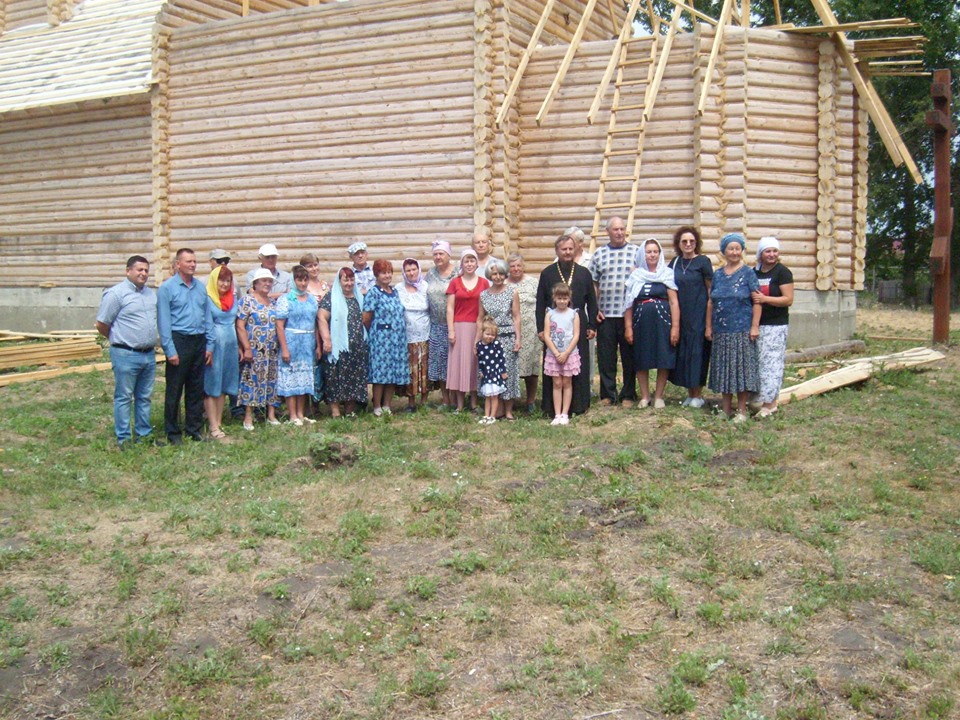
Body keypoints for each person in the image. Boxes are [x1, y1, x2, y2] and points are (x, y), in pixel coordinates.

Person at [95, 255, 159, 450]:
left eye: (146, 270)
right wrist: (117, 338)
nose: (143, 273)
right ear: (128, 271)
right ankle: (123, 438)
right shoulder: (116, 294)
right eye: (139, 270)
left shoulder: (150, 294)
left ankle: (143, 435)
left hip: (148, 354)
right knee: (124, 396)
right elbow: (102, 323)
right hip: (125, 354)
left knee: (144, 397)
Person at [536, 234, 597, 417]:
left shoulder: (583, 273)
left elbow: (592, 301)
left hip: (578, 325)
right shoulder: (547, 273)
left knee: (577, 364)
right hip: (553, 326)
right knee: (554, 366)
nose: (568, 252)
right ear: (557, 251)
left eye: (571, 248)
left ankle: (579, 404)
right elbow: (540, 303)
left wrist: (592, 325)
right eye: (564, 249)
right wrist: (541, 328)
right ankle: (552, 407)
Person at [157, 248, 213, 445]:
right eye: (188, 261)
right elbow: (164, 321)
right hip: (179, 340)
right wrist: (170, 349)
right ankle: (173, 432)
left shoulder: (200, 288)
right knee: (175, 389)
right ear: (178, 264)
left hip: (199, 341)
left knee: (196, 388)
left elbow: (207, 316)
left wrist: (210, 345)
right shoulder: (167, 288)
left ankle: (193, 429)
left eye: (194, 261)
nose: (193, 264)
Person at [706, 232, 761, 422]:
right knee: (724, 371)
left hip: (742, 330)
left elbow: (757, 301)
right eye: (731, 248)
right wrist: (708, 327)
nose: (734, 252)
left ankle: (742, 411)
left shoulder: (748, 273)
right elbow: (711, 302)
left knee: (741, 371)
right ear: (724, 251)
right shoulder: (718, 274)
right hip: (721, 331)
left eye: (738, 248)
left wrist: (754, 327)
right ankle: (726, 409)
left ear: (742, 250)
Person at [589, 216, 640, 407]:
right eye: (615, 229)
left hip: (629, 315)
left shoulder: (636, 252)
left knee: (629, 357)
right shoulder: (599, 254)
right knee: (606, 357)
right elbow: (593, 284)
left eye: (621, 229)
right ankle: (608, 394)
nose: (619, 232)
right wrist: (595, 309)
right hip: (606, 315)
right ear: (607, 232)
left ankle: (628, 394)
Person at [623, 238, 680, 408]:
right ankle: (645, 396)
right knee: (642, 357)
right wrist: (628, 327)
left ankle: (659, 396)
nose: (652, 255)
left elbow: (673, 302)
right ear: (643, 254)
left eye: (655, 251)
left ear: (660, 254)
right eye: (649, 252)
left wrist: (675, 327)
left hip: (663, 322)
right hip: (641, 322)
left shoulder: (667, 274)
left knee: (663, 356)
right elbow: (628, 304)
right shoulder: (636, 276)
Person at [667, 226, 712, 408]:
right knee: (684, 354)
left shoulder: (703, 262)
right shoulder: (675, 262)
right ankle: (690, 394)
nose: (688, 244)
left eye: (691, 241)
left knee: (697, 353)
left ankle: (698, 395)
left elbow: (710, 291)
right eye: (684, 241)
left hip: (699, 315)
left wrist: (709, 320)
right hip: (681, 315)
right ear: (678, 244)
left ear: (696, 243)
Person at [751, 236, 794, 418]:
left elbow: (788, 299)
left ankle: (770, 404)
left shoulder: (782, 272)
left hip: (775, 325)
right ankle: (758, 399)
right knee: (758, 363)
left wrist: (765, 299)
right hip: (757, 324)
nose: (771, 254)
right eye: (768, 251)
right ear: (761, 254)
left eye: (774, 251)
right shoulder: (755, 272)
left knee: (772, 363)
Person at [318, 268, 368, 417]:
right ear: (339, 281)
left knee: (354, 377)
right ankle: (335, 411)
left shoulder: (359, 297)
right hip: (337, 346)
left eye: (352, 280)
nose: (349, 283)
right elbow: (321, 317)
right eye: (346, 280)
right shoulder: (331, 297)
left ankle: (349, 410)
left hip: (356, 346)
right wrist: (326, 340)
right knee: (334, 377)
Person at [446, 248, 490, 412]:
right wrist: (451, 330)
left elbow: (486, 307)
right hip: (459, 327)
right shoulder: (455, 282)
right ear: (462, 264)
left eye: (472, 261)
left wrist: (484, 329)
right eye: (467, 261)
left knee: (474, 363)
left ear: (477, 264)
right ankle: (459, 404)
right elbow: (450, 308)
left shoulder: (484, 283)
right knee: (459, 364)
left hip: (477, 327)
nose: (469, 264)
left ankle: (474, 402)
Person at [363, 259, 409, 416]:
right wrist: (377, 331)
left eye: (389, 272)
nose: (387, 275)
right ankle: (377, 406)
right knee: (380, 373)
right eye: (383, 273)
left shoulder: (394, 292)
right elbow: (366, 318)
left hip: (397, 340)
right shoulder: (373, 293)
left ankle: (387, 405)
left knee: (392, 373)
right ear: (376, 275)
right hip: (381, 340)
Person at [236, 268, 280, 429]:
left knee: (272, 378)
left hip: (272, 348)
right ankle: (248, 416)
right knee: (252, 379)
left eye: (270, 281)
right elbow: (240, 325)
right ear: (255, 283)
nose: (267, 284)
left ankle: (271, 414)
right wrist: (246, 347)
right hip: (255, 348)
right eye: (264, 281)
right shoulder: (247, 301)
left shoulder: (273, 303)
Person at [477, 259, 521, 420]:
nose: (498, 277)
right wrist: (477, 340)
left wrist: (518, 338)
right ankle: (495, 408)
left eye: (501, 273)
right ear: (490, 275)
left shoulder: (512, 292)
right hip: (489, 339)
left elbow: (516, 316)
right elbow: (480, 319)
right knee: (490, 373)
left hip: (507, 337)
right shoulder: (483, 295)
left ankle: (508, 410)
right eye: (494, 274)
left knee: (507, 372)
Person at [276, 265, 319, 426]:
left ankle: (301, 413)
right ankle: (292, 414)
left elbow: (315, 323)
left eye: (305, 280)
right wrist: (284, 348)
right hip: (292, 341)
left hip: (307, 343)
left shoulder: (312, 299)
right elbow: (280, 325)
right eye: (299, 280)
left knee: (304, 378)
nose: (303, 283)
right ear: (294, 281)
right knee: (291, 377)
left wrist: (318, 345)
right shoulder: (285, 299)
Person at [203, 265, 239, 440]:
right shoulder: (208, 299)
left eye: (228, 281)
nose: (225, 284)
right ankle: (212, 425)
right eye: (221, 280)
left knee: (225, 382)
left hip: (231, 344)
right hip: (215, 343)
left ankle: (218, 421)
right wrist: (209, 348)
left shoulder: (233, 298)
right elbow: (206, 324)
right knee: (212, 383)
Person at [543, 282, 581, 426]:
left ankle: (565, 413)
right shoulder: (550, 314)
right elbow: (547, 335)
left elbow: (576, 335)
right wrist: (556, 353)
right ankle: (557, 414)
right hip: (553, 355)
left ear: (569, 298)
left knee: (567, 383)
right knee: (557, 383)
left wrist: (566, 353)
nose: (562, 301)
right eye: (559, 298)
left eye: (565, 298)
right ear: (554, 298)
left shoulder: (574, 314)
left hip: (569, 354)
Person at [425, 240, 457, 408]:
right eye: (435, 254)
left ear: (448, 255)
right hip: (436, 325)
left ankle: (457, 398)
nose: (438, 257)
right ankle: (446, 399)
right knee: (441, 363)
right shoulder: (430, 274)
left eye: (441, 253)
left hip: (455, 325)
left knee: (454, 362)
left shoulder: (457, 272)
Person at [507, 253, 540, 413]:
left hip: (530, 330)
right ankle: (509, 400)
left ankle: (530, 400)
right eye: (512, 266)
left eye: (518, 265)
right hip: (509, 331)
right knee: (509, 366)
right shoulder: (503, 283)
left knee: (531, 367)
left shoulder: (533, 283)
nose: (516, 269)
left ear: (523, 266)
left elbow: (542, 304)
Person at [398, 258, 431, 412]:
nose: (411, 273)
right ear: (404, 273)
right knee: (411, 368)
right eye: (408, 270)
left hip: (425, 333)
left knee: (424, 367)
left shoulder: (426, 287)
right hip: (407, 335)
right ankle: (411, 402)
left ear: (419, 270)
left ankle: (424, 400)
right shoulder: (399, 288)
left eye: (414, 269)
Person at [300, 252, 329, 413]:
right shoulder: (303, 286)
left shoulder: (325, 285)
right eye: (309, 266)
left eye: (315, 265)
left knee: (322, 367)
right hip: (309, 330)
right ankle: (306, 404)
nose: (313, 268)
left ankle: (318, 403)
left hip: (325, 329)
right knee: (309, 366)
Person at [476, 318, 509, 425]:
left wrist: (503, 371)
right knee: (487, 396)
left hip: (495, 374)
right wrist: (480, 371)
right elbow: (480, 361)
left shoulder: (496, 345)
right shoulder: (479, 346)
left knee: (494, 396)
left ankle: (492, 416)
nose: (490, 337)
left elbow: (502, 359)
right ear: (482, 333)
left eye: (492, 335)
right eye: (487, 334)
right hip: (486, 375)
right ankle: (486, 415)